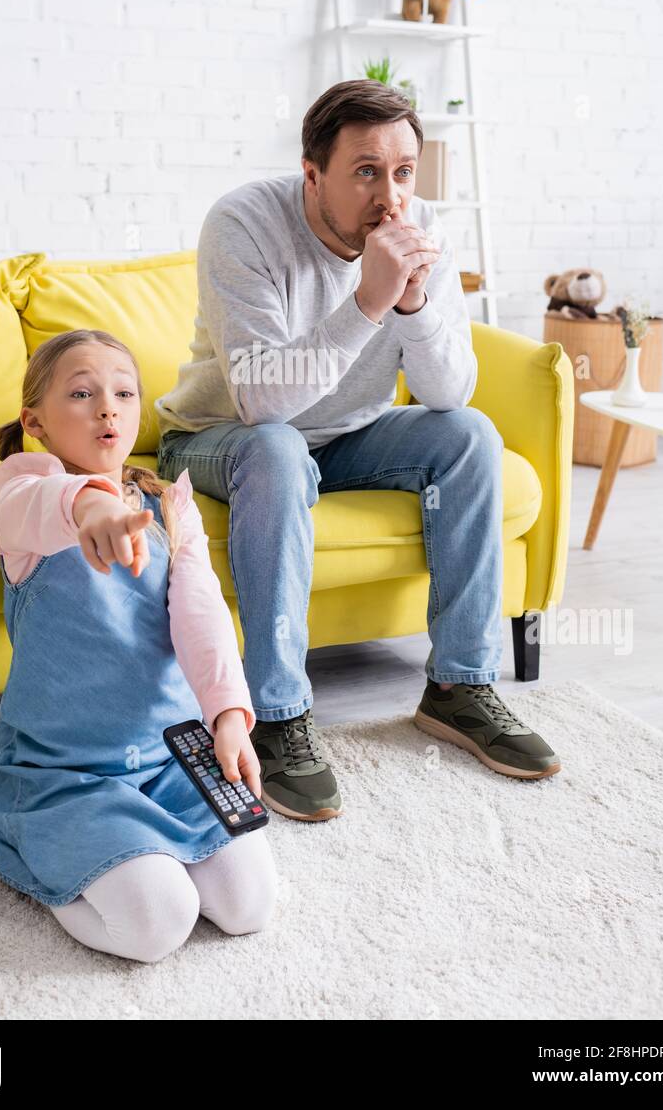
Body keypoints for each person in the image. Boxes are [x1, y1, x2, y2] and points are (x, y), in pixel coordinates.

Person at [154, 79, 561, 821]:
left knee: (469, 438)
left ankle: (458, 687)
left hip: (347, 439)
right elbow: (260, 402)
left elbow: (448, 392)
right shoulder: (243, 223)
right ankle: (276, 715)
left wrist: (411, 301)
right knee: (277, 448)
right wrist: (368, 301)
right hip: (219, 441)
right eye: (366, 171)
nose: (391, 197)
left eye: (403, 171)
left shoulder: (421, 226)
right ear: (313, 175)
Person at [0, 327, 278, 962]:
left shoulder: (170, 507)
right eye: (82, 394)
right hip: (65, 773)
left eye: (123, 393)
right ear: (35, 421)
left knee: (249, 905)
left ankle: (144, 847)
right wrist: (91, 511)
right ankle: (14, 833)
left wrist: (227, 715)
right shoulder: (22, 489)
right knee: (156, 926)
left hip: (169, 758)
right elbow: (29, 509)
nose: (107, 407)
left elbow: (202, 617)